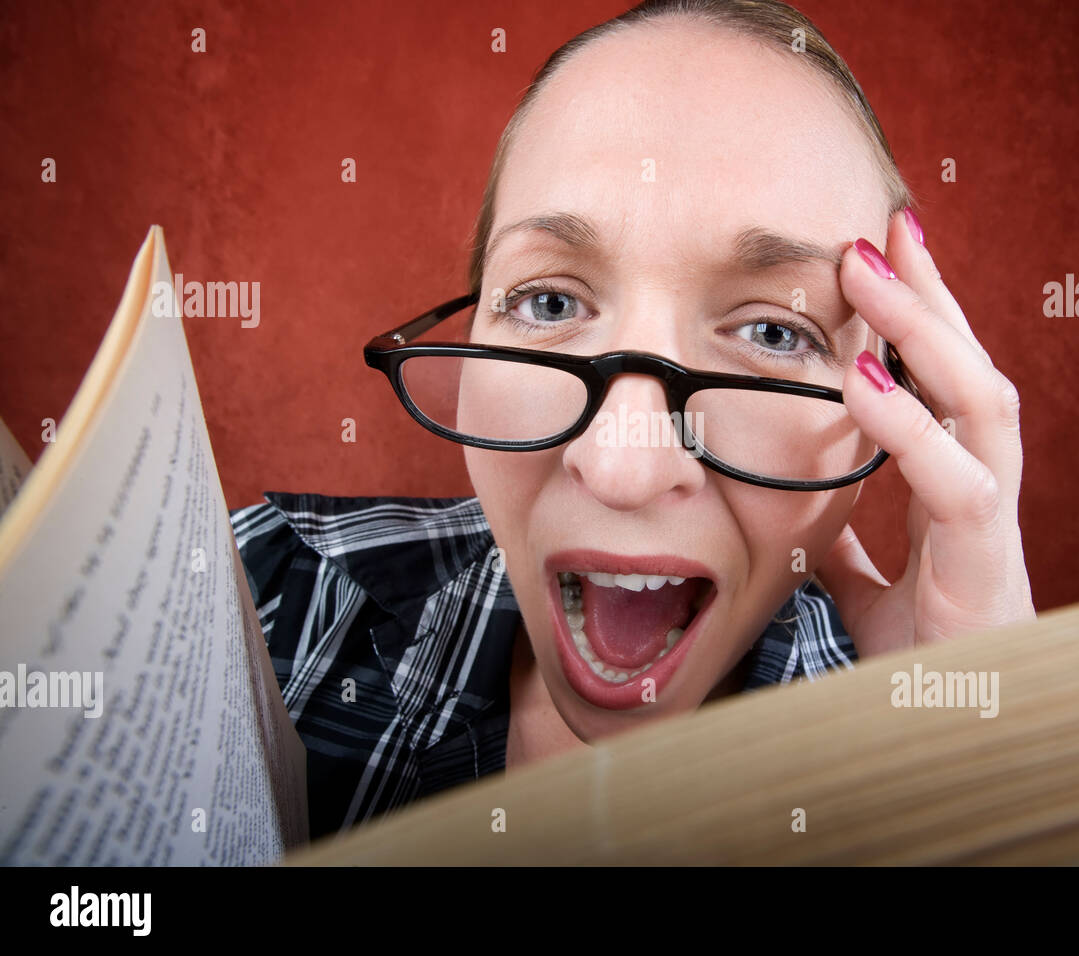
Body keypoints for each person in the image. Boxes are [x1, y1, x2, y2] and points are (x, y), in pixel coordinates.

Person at [232, 0, 1034, 842]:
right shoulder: (264, 593)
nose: (624, 470)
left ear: (888, 419)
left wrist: (988, 788)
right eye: (548, 301)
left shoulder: (910, 774)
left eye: (772, 331)